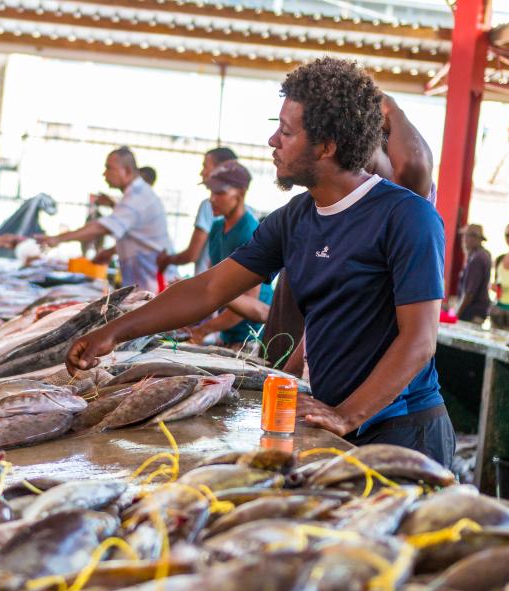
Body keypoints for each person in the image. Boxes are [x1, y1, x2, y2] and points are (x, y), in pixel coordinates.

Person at [65, 58, 454, 466]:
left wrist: (347, 414)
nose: (272, 141)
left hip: (402, 430)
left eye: (286, 132)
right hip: (333, 421)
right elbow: (209, 288)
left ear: (326, 146)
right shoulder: (295, 218)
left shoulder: (406, 216)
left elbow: (419, 339)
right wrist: (114, 331)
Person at [248, 92, 436, 371]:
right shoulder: (308, 212)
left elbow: (413, 165)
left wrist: (391, 108)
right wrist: (286, 377)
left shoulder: (401, 211)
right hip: (291, 353)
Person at [38, 146, 174, 293]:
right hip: (146, 283)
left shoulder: (138, 196)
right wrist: (110, 251)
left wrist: (57, 239)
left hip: (156, 285)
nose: (104, 173)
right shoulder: (134, 194)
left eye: (109, 168)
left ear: (127, 171)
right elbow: (138, 237)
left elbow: (100, 228)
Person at [182, 160, 271, 347]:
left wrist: (202, 330)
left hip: (251, 337)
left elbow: (248, 304)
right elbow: (212, 281)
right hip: (226, 332)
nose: (212, 199)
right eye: (211, 192)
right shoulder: (216, 228)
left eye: (220, 193)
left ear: (241, 193)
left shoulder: (251, 233)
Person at [158, 147, 237, 276]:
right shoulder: (248, 215)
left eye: (205, 166)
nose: (202, 172)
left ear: (220, 170)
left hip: (209, 283)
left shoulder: (209, 206)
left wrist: (167, 260)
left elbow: (192, 255)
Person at [455, 224, 492, 324]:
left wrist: (456, 315)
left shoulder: (477, 258)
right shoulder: (482, 254)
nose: (465, 240)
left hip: (472, 314)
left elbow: (469, 293)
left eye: (467, 236)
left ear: (477, 239)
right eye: (464, 236)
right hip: (476, 312)